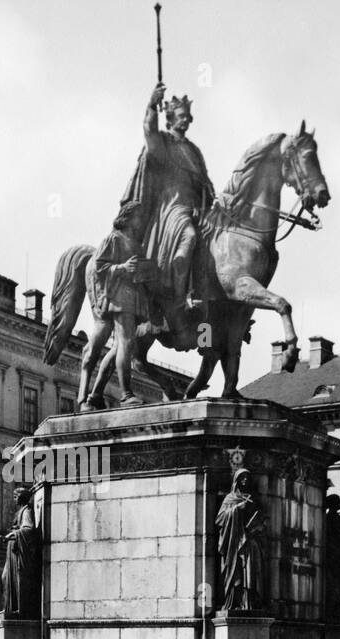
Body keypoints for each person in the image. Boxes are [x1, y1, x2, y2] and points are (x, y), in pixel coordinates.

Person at [122, 82, 215, 314]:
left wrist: (208, 202)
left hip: (197, 210)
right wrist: (153, 104)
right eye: (181, 116)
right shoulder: (162, 142)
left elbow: (205, 183)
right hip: (171, 208)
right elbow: (148, 131)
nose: (186, 120)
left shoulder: (194, 150)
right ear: (171, 118)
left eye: (188, 117)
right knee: (190, 236)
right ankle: (182, 297)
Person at [84, 200, 153, 408]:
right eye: (139, 217)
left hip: (134, 296)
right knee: (126, 343)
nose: (141, 221)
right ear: (129, 217)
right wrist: (123, 267)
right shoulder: (114, 239)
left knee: (121, 346)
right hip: (119, 297)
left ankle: (95, 394)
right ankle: (126, 394)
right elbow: (99, 267)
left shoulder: (137, 245)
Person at [216, 468, 267, 611]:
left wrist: (258, 527)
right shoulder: (229, 498)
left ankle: (248, 604)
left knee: (250, 575)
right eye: (242, 477)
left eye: (247, 478)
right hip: (233, 544)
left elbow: (261, 519)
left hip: (250, 541)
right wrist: (238, 508)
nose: (245, 480)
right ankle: (233, 603)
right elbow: (220, 519)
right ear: (236, 480)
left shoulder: (253, 498)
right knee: (235, 575)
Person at [2, 484, 41, 618]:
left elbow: (28, 529)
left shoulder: (27, 511)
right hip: (14, 550)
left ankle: (17, 609)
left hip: (19, 552)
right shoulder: (21, 511)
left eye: (16, 496)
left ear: (22, 497)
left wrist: (12, 535)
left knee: (11, 578)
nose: (14, 499)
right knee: (5, 577)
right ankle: (11, 607)